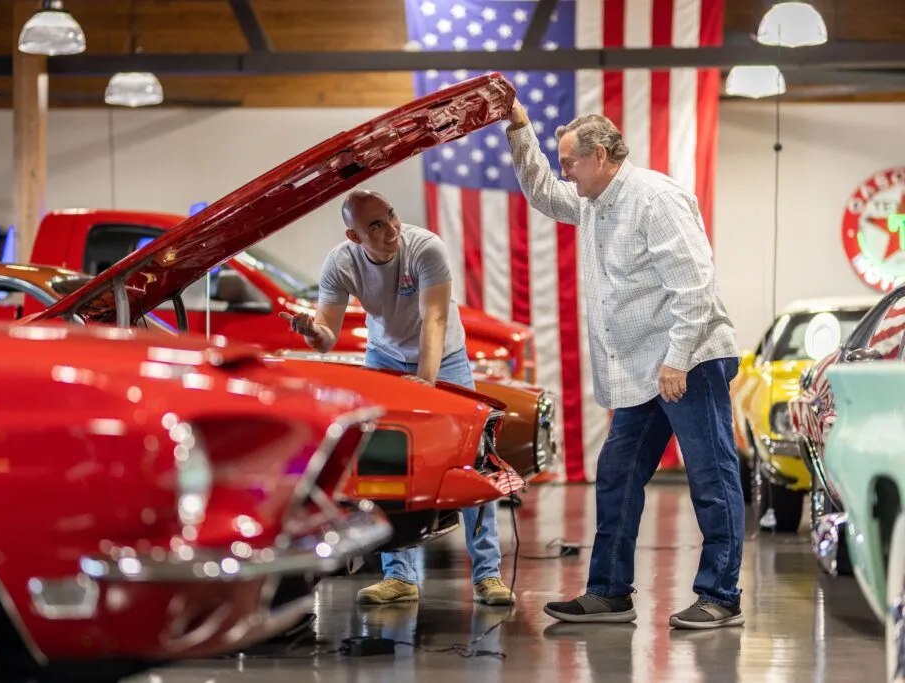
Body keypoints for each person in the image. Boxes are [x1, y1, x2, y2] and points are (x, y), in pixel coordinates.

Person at [505, 101, 745, 629]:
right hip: (644, 368)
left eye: (570, 161)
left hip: (692, 358)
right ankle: (610, 592)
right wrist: (520, 128)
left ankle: (721, 596)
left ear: (599, 155)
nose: (564, 171)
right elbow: (544, 193)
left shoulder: (655, 198)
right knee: (617, 474)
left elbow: (695, 285)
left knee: (711, 475)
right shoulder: (594, 202)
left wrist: (677, 359)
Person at [280, 188, 515, 607]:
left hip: (445, 358)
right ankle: (399, 577)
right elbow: (326, 338)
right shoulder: (340, 263)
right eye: (375, 226)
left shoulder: (425, 248)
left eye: (390, 215)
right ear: (355, 237)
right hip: (384, 357)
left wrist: (425, 383)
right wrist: (311, 331)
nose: (391, 230)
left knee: (471, 463)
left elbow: (435, 318)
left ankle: (488, 575)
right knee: (387, 468)